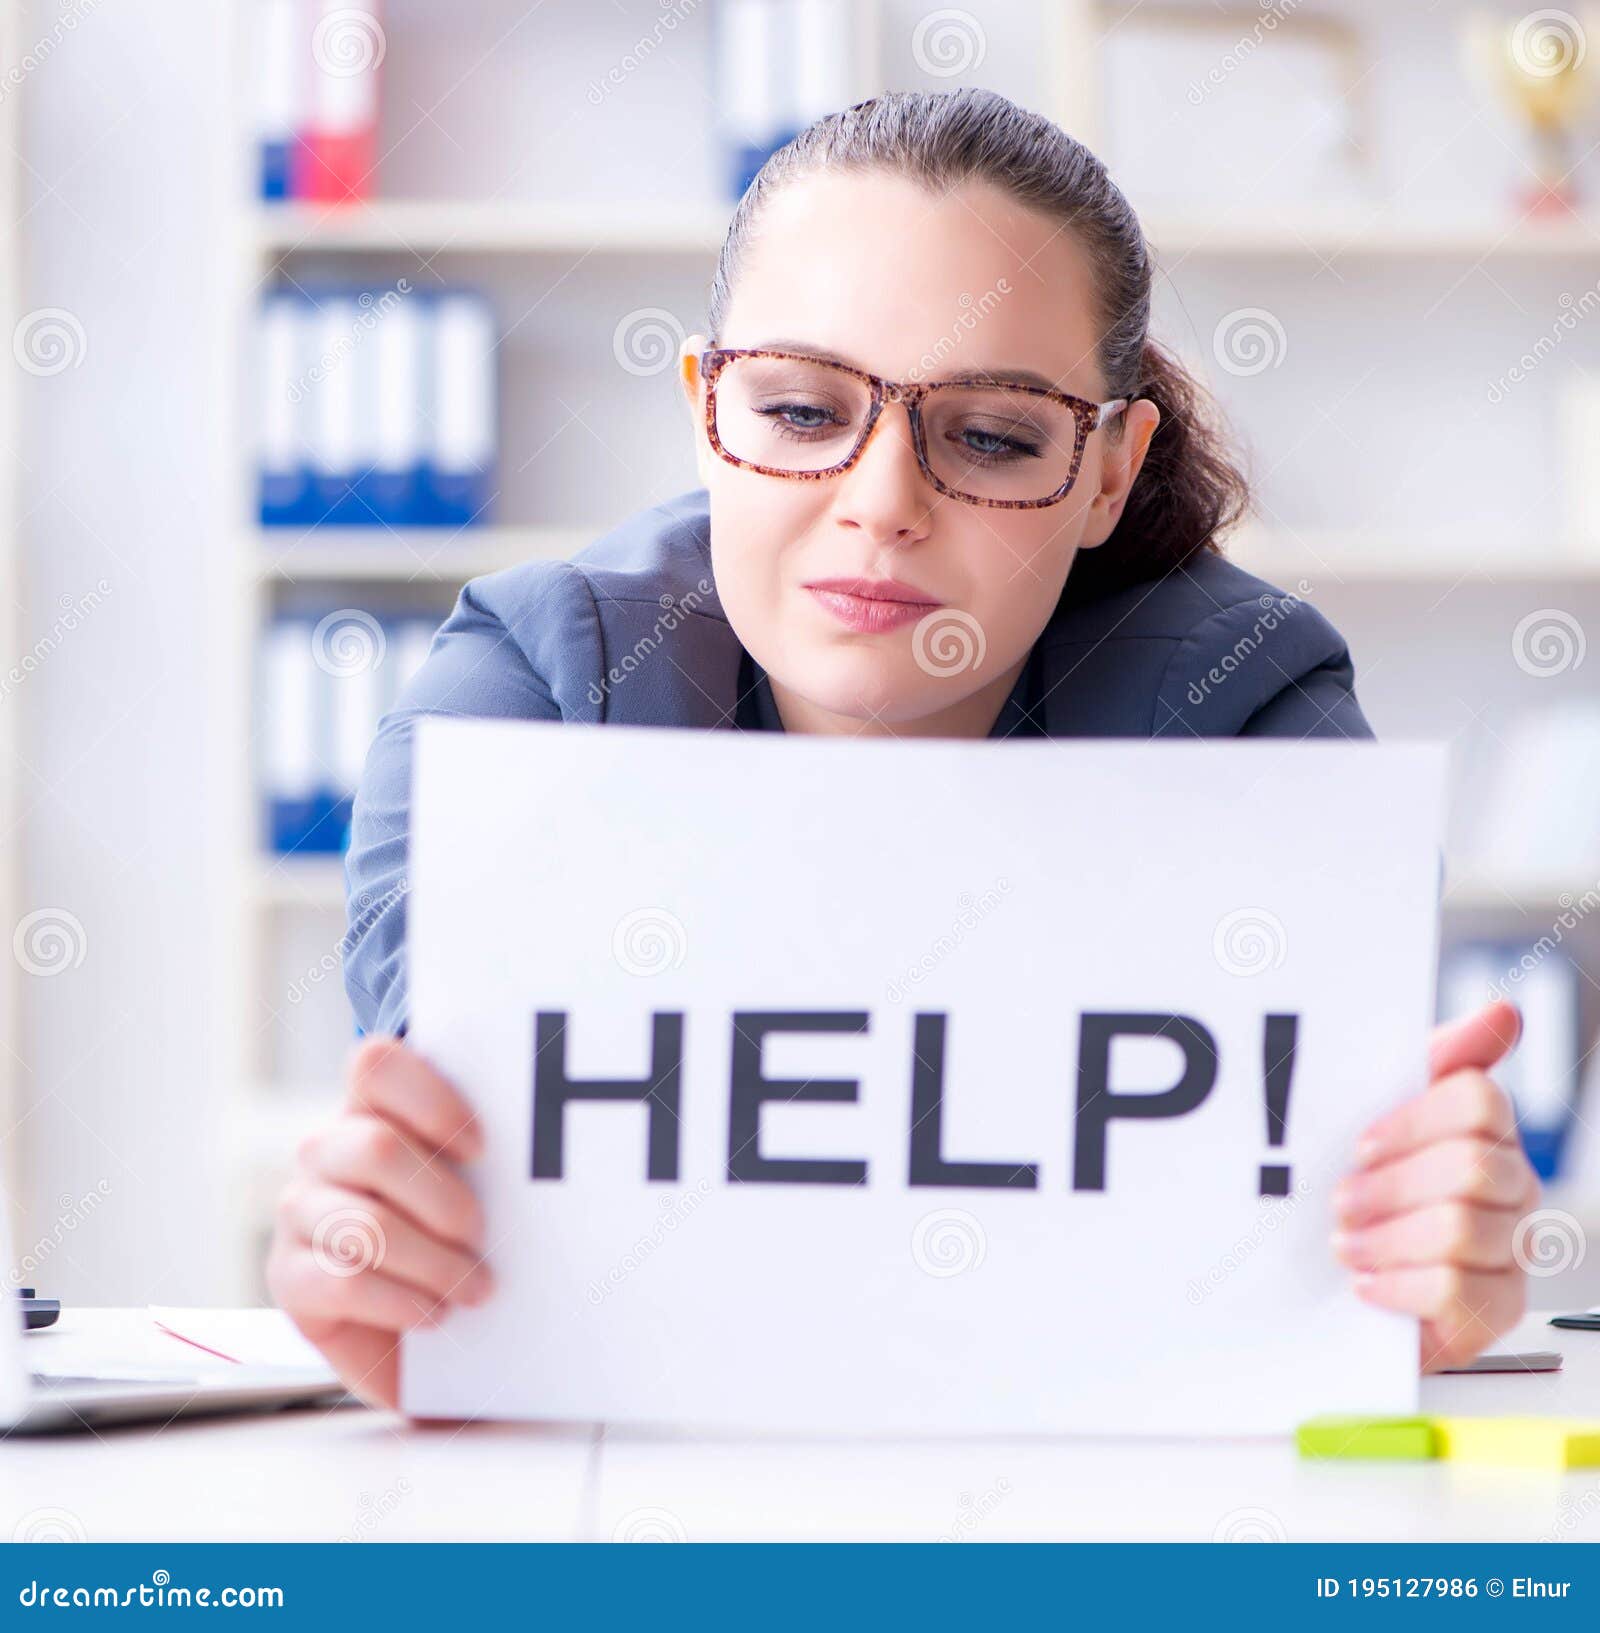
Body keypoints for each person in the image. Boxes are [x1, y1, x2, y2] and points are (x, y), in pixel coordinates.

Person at [267, 88, 1539, 1411]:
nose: (881, 507)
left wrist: (1393, 1280)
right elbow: (467, 1187)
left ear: (1110, 469)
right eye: (803, 414)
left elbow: (1304, 1220)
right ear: (709, 406)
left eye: (991, 437)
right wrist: (399, 1272)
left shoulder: (1250, 705)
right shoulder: (532, 687)